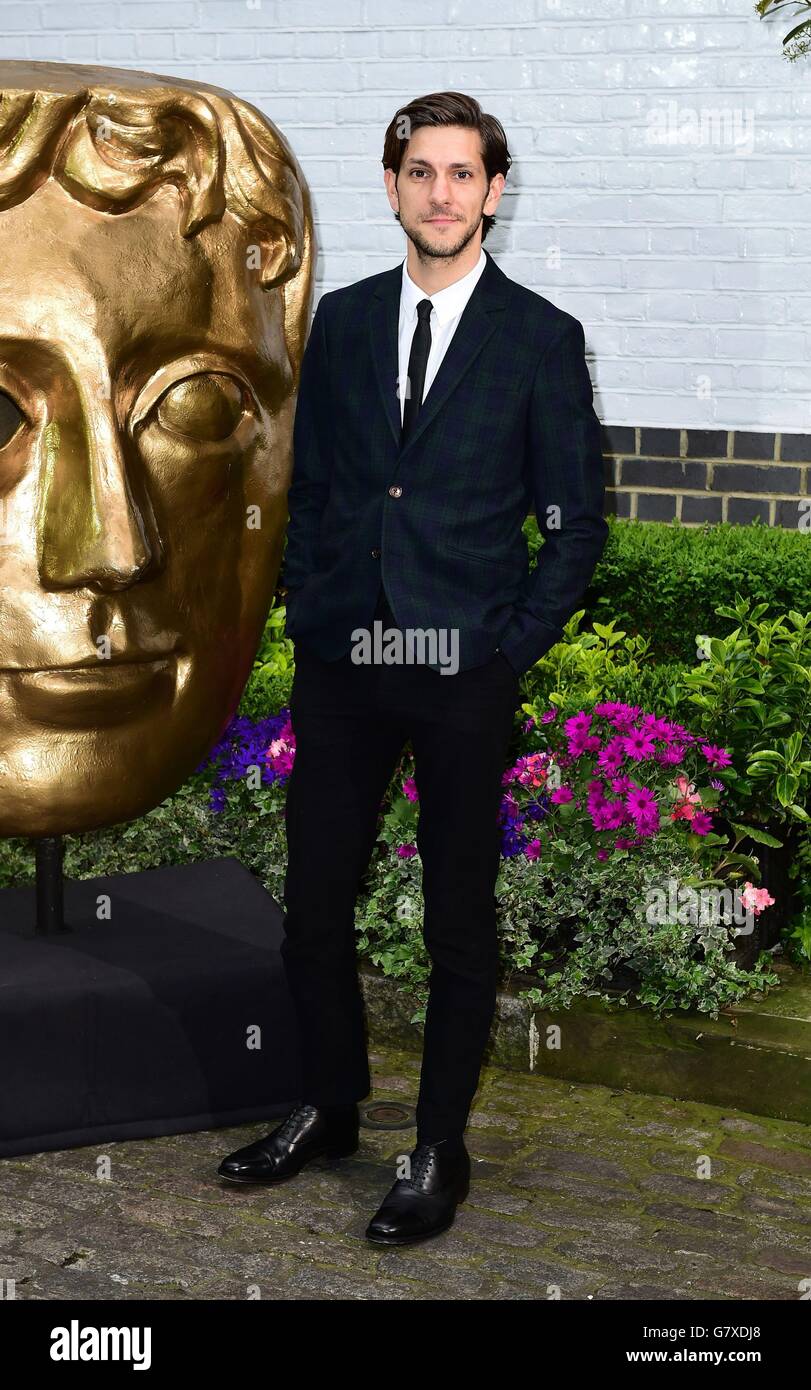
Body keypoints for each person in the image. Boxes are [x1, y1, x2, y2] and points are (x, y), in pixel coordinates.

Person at [218, 91, 608, 1247]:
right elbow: (318, 485)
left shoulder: (539, 336)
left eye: (461, 173)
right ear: (390, 187)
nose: (440, 192)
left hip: (459, 668)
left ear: (493, 192)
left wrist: (506, 644)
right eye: (419, 171)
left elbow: (576, 524)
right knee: (312, 909)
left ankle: (437, 1144)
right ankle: (331, 1105)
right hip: (347, 656)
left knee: (455, 922)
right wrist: (307, 595)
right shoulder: (337, 323)